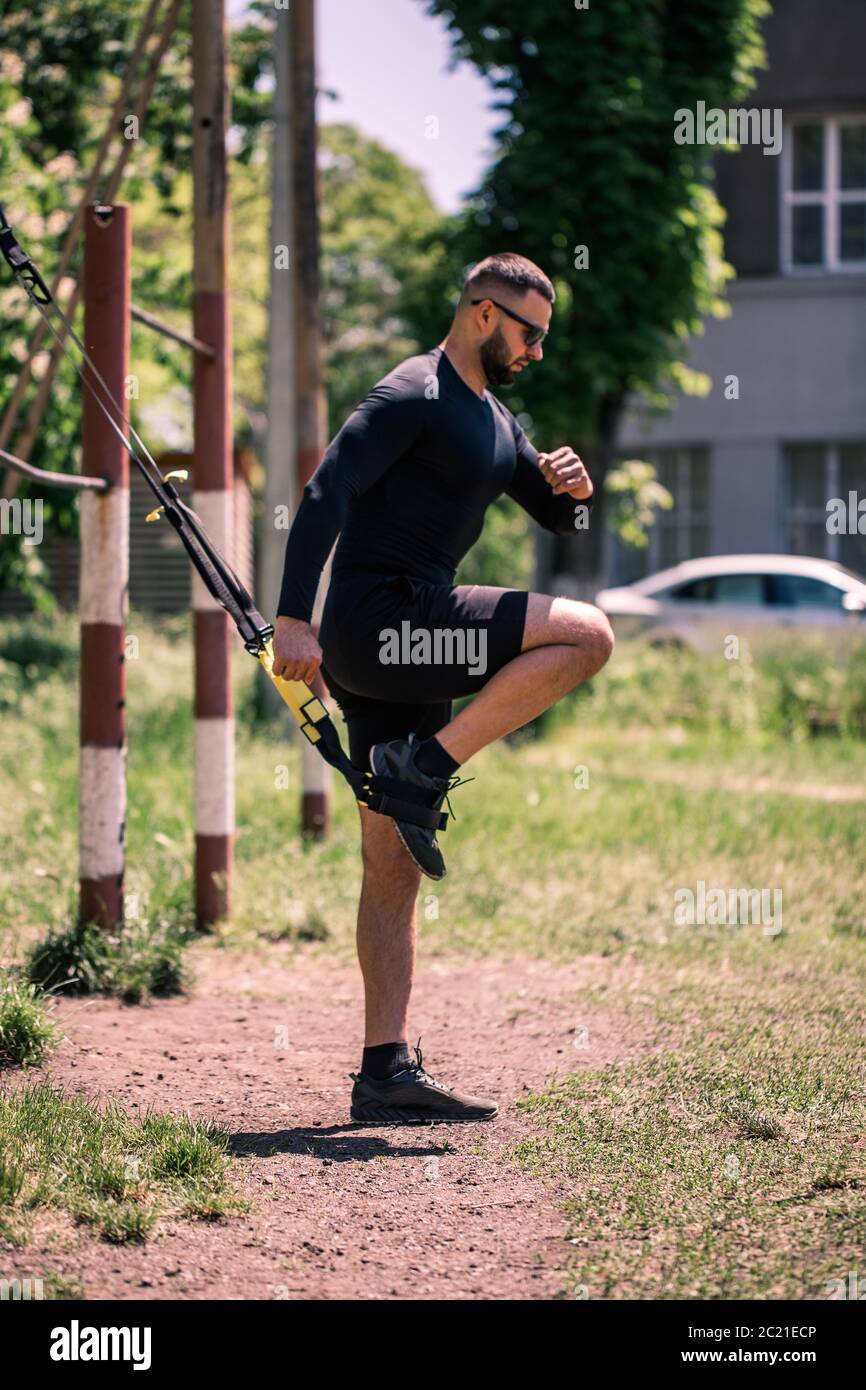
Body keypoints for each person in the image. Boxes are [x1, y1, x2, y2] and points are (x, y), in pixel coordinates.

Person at [272, 252, 614, 1125]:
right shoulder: (412, 393)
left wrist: (574, 491)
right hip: (383, 617)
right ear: (482, 312)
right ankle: (425, 763)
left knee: (390, 862)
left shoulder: (496, 419)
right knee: (586, 635)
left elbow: (553, 514)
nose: (537, 348)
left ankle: (384, 1067)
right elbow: (325, 490)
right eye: (529, 331)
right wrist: (292, 619)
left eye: (545, 335)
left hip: (407, 639)